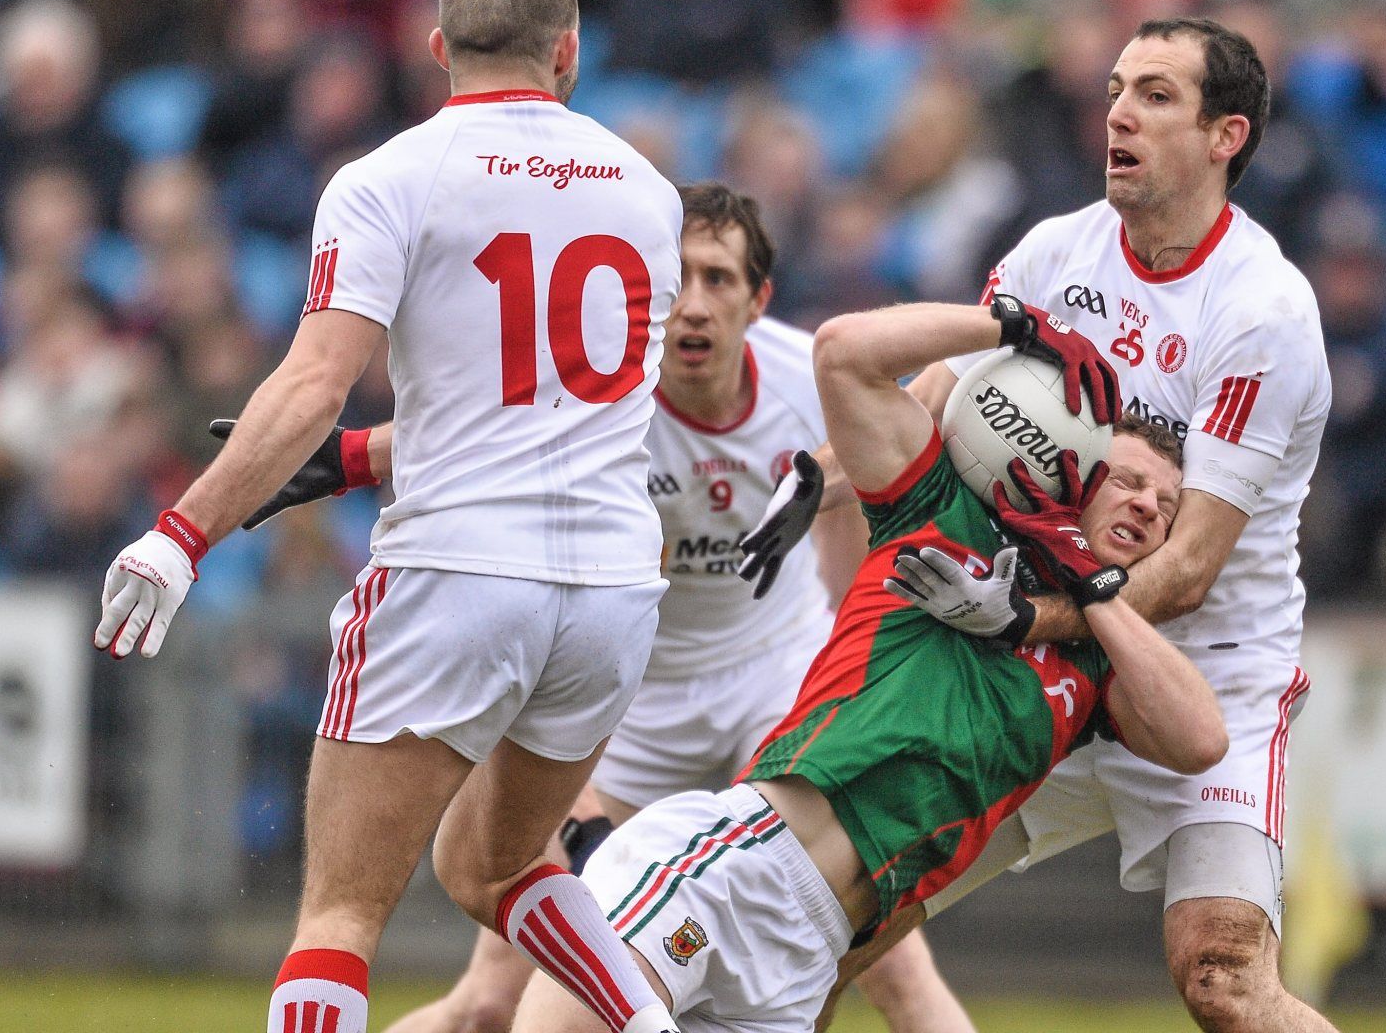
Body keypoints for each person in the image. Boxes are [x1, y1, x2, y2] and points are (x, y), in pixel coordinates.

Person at [91, 0, 687, 1033]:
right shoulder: (648, 195)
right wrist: (362, 460)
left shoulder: (388, 178)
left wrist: (182, 532)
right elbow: (552, 413)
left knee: (340, 912)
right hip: (609, 591)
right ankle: (649, 1022)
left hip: (457, 571)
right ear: (567, 52)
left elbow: (315, 382)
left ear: (435, 46)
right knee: (497, 867)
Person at [740, 17, 1337, 1033]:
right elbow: (944, 391)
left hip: (1197, 674)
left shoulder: (1261, 313)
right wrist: (819, 478)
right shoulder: (1057, 249)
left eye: (1154, 94)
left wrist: (1027, 618)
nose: (1116, 111)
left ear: (1224, 135)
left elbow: (1187, 565)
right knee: (828, 933)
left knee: (1224, 979)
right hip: (1038, 666)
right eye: (1113, 87)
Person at [258, 184, 969, 1033]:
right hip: (628, 701)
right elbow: (477, 442)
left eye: (719, 279)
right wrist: (342, 456)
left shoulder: (810, 378)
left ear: (759, 298)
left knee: (878, 966)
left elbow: (894, 469)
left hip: (773, 678)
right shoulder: (604, 387)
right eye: (681, 281)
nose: (696, 306)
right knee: (490, 1002)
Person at [515, 295, 1225, 1033]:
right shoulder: (947, 516)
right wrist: (1018, 325)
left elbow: (1200, 740)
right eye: (1130, 482)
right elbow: (844, 352)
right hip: (735, 865)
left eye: (1167, 507)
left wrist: (1094, 587)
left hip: (809, 955)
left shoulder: (1100, 668)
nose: (1149, 507)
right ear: (1065, 473)